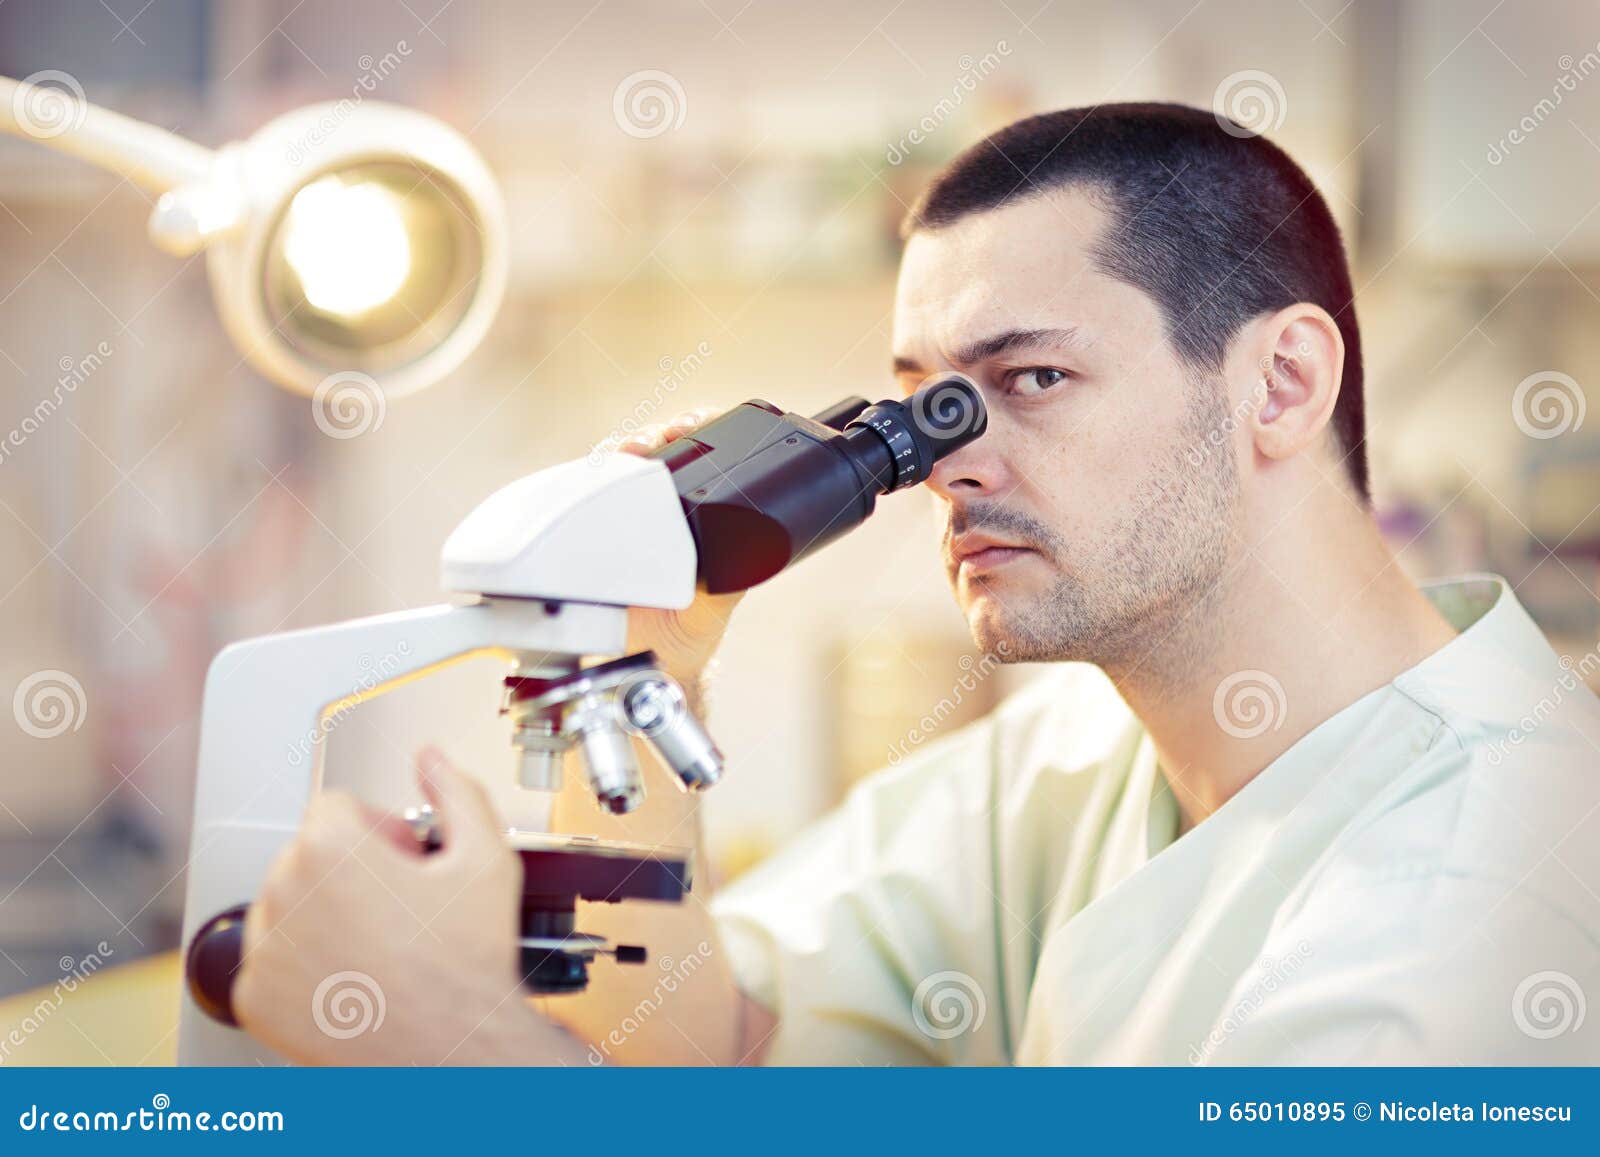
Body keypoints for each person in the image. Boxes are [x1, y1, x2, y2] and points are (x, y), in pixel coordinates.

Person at [231, 103, 1600, 1066]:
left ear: (1281, 384)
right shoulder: (1076, 767)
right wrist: (640, 667)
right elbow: (705, 1044)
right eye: (923, 409)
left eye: (1033, 380)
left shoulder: (1481, 899)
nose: (947, 464)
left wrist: (463, 1052)